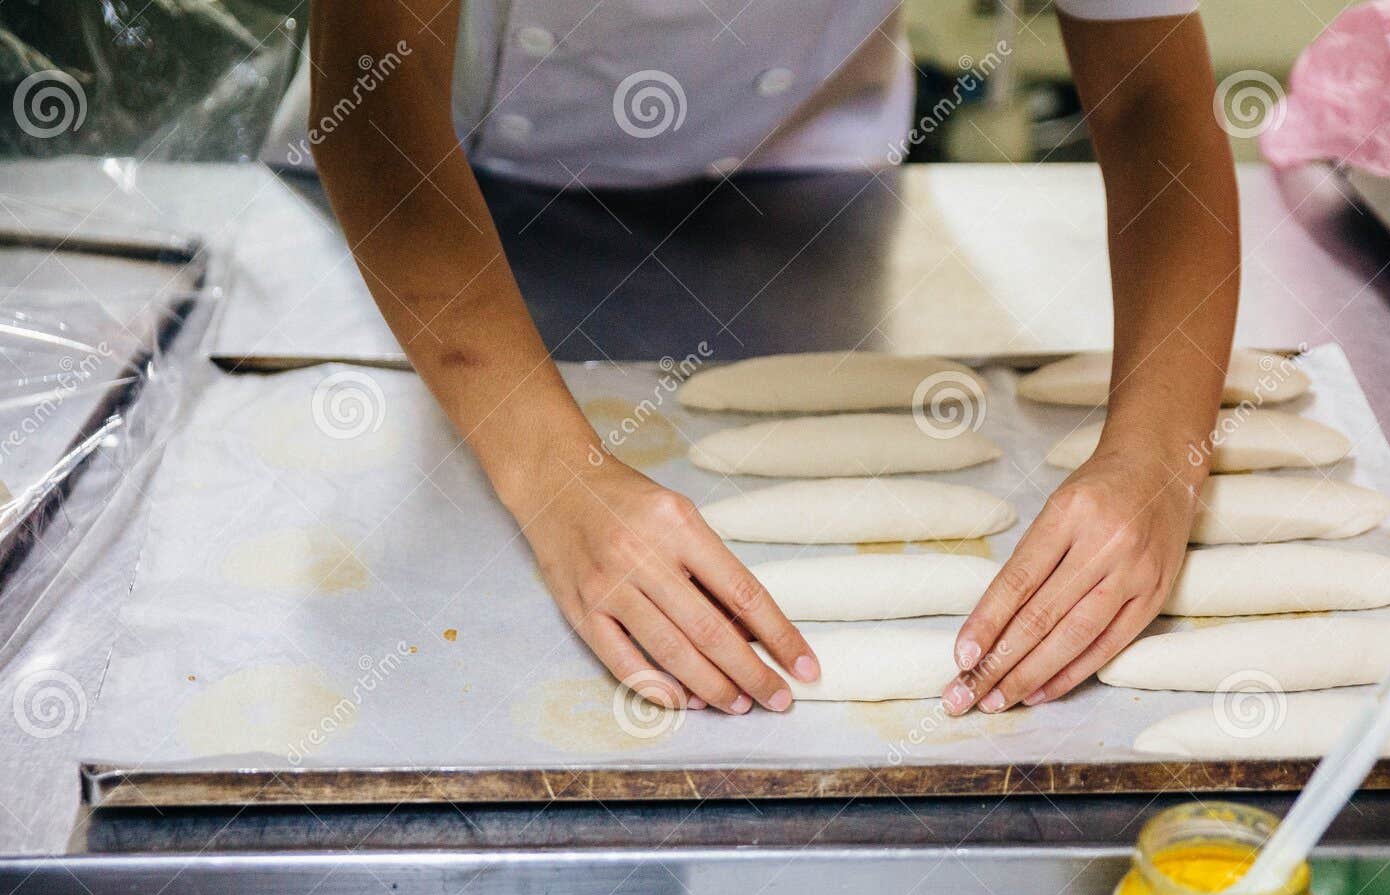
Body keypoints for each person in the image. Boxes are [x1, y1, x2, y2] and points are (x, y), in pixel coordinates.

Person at [307, 0, 1238, 718]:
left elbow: (1150, 99)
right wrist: (552, 473)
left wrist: (1160, 455)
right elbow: (375, 99)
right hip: (453, 186)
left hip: (801, 182)